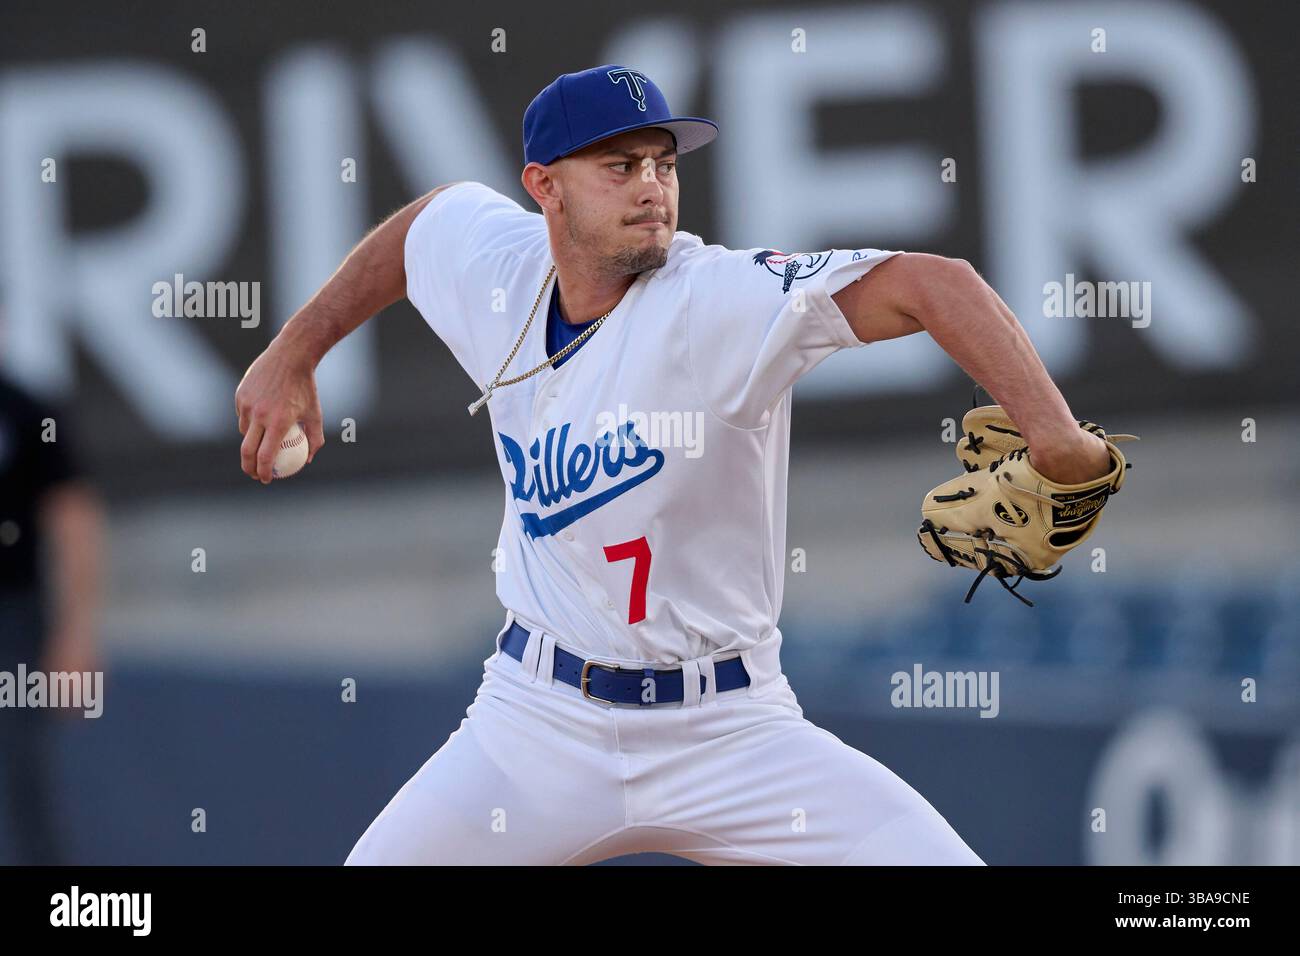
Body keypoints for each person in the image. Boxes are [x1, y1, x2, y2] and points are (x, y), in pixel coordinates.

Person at [236, 64, 1110, 865]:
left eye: (663, 163)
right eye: (618, 167)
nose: (652, 187)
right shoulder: (497, 272)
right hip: (539, 722)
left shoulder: (715, 301)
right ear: (543, 187)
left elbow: (937, 282)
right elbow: (420, 227)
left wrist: (1058, 439)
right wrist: (294, 350)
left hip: (731, 731)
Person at [0, 360, 104, 865]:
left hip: (12, 619)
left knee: (20, 780)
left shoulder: (24, 411)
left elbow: (73, 519)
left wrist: (75, 634)